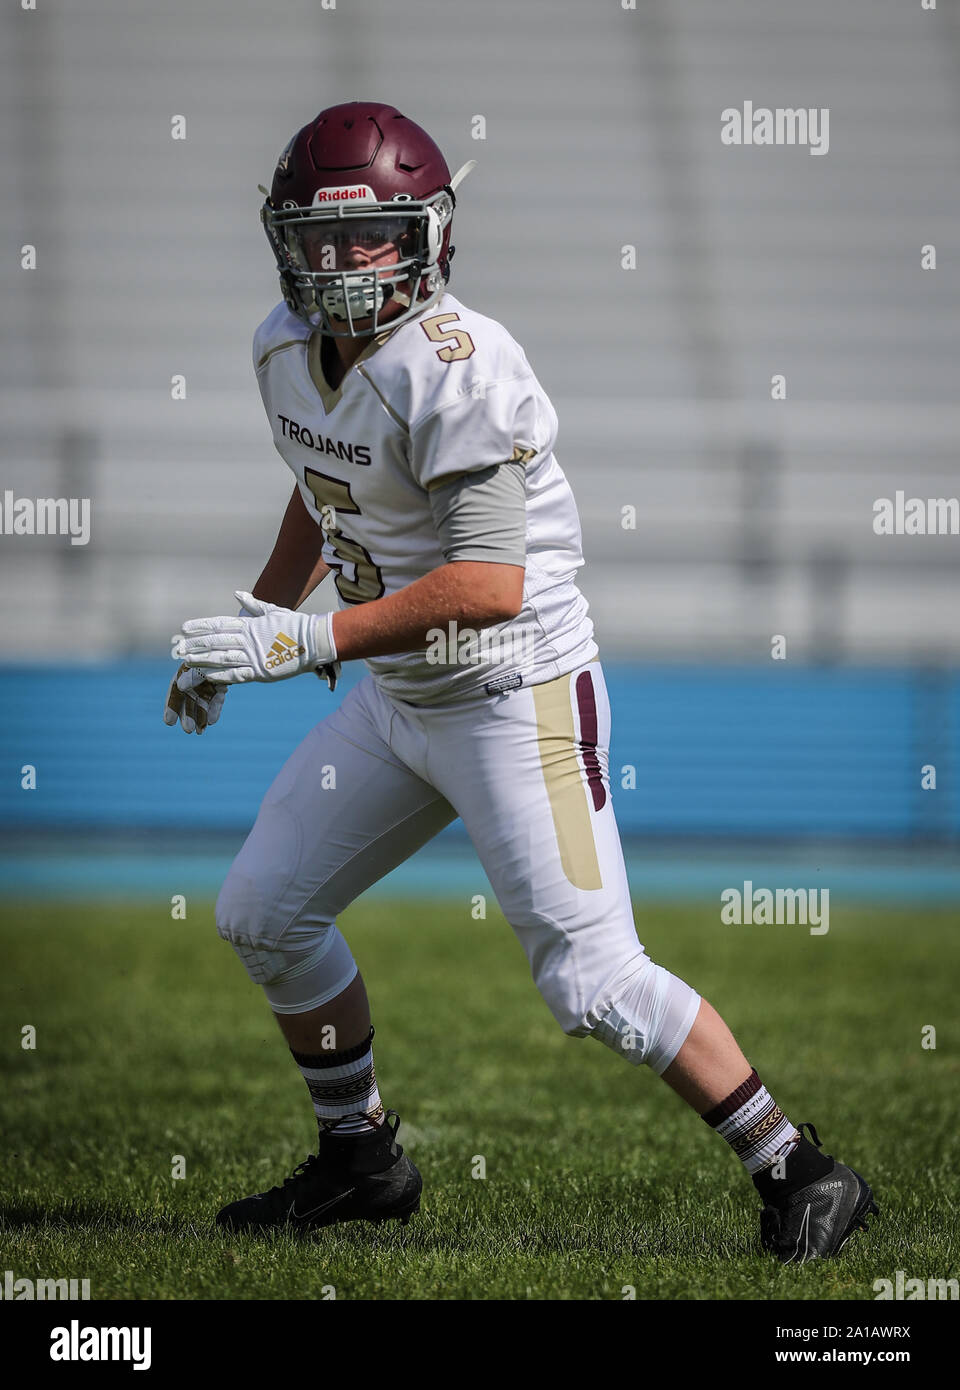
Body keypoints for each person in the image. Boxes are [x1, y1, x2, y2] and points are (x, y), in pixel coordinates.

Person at [165, 101, 876, 1263]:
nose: (345, 267)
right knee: (261, 909)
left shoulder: (463, 366)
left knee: (592, 981)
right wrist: (259, 617)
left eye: (372, 238)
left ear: (429, 237)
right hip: (401, 699)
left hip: (512, 690)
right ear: (283, 240)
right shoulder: (280, 351)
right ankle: (363, 1162)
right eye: (323, 241)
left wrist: (307, 644)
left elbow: (490, 583)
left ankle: (801, 1167)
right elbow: (324, 481)